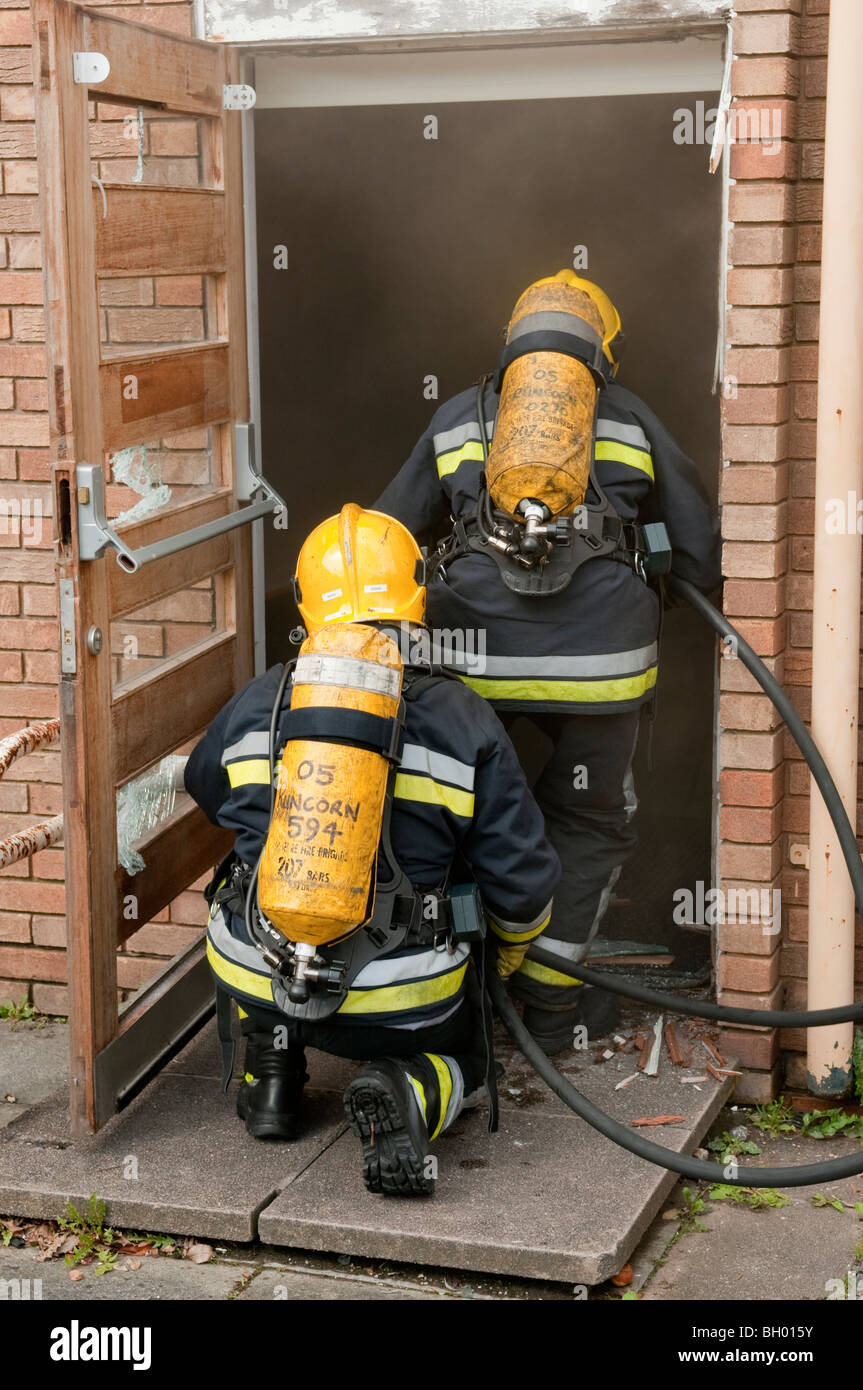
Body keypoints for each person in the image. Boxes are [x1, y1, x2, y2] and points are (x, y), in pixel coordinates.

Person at [374, 270, 721, 1055]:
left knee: (453, 810)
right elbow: (695, 532)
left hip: (470, 662)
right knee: (590, 821)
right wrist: (681, 588)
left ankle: (450, 990)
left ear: (511, 342)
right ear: (601, 348)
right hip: (604, 664)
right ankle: (553, 1009)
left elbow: (388, 535)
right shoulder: (630, 417)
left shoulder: (458, 417)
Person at [184, 504, 560, 1195]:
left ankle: (270, 1081)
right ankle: (405, 1085)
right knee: (469, 1059)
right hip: (403, 995)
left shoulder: (258, 700)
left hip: (255, 967)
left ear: (305, 602)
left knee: (246, 904)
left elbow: (204, 788)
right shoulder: (459, 714)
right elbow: (523, 874)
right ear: (416, 597)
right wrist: (498, 962)